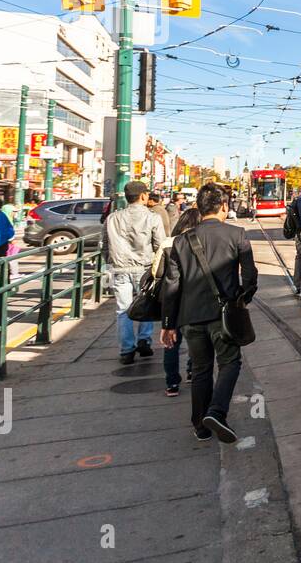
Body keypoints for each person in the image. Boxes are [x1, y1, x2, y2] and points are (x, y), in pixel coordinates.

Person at [159, 184, 258, 443]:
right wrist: (242, 299)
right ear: (224, 206)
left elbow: (172, 284)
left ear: (199, 209)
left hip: (190, 318)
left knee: (201, 369)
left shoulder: (180, 242)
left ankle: (200, 426)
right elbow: (249, 276)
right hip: (222, 316)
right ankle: (216, 412)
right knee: (229, 363)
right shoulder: (237, 235)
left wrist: (168, 324)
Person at [105, 180, 164, 365]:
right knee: (147, 304)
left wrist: (110, 262)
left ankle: (126, 350)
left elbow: (104, 245)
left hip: (120, 268)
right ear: (144, 196)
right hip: (145, 268)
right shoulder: (153, 217)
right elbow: (160, 245)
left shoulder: (113, 218)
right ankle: (144, 341)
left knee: (123, 310)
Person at [149, 207, 201, 396]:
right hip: (195, 299)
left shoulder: (168, 243)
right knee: (196, 340)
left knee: (171, 341)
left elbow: (156, 273)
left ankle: (172, 383)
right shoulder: (201, 241)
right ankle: (191, 371)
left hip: (171, 300)